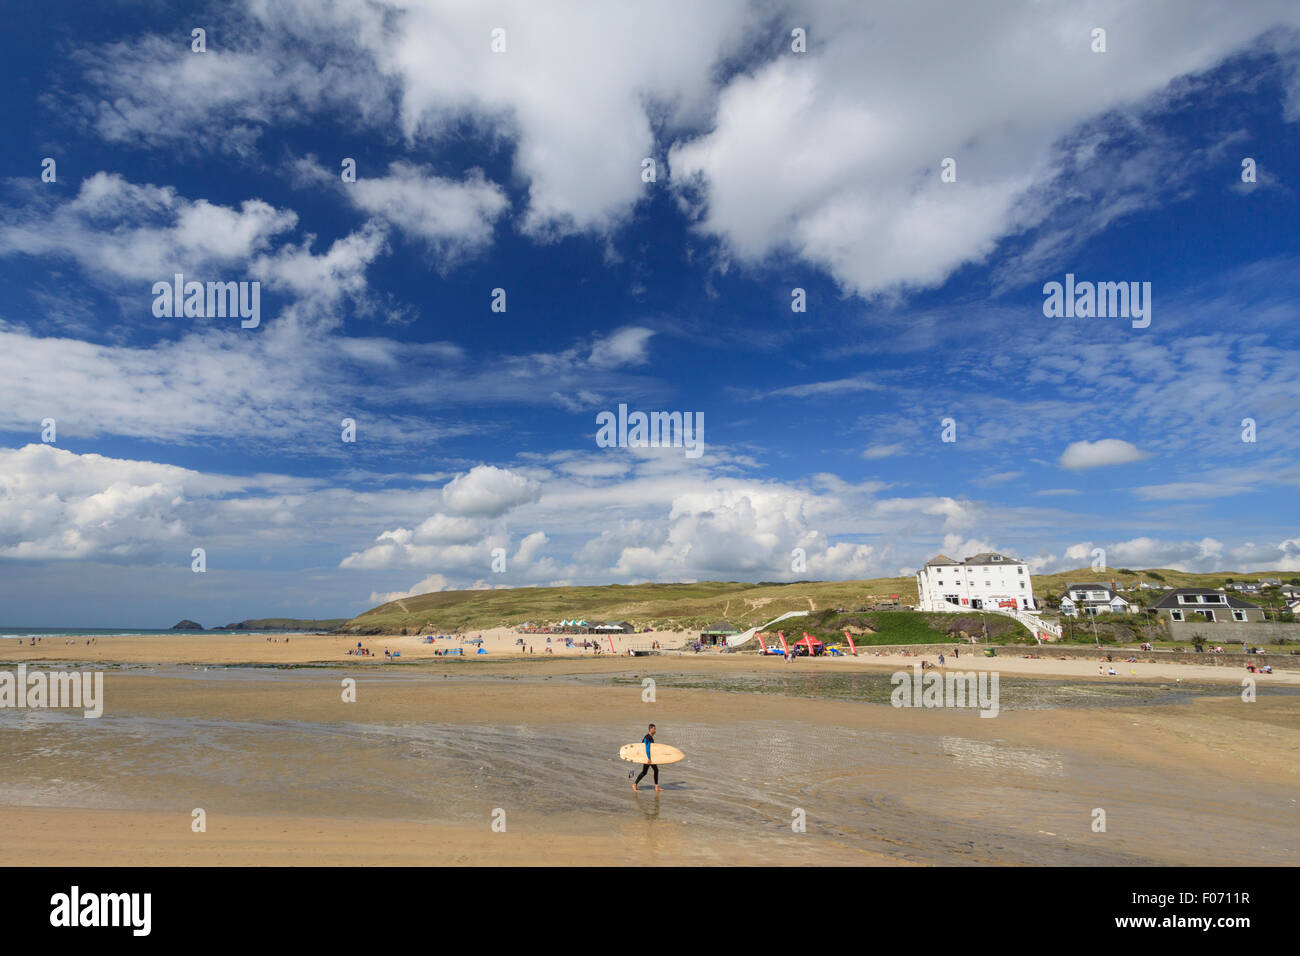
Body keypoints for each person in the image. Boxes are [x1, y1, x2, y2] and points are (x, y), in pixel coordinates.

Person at [633, 723, 663, 793]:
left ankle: (656, 786)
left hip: (648, 757)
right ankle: (634, 784)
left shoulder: (649, 737)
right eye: (654, 729)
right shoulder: (648, 737)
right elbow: (647, 749)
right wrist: (649, 758)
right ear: (651, 729)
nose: (655, 730)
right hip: (648, 757)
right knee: (646, 772)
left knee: (651, 771)